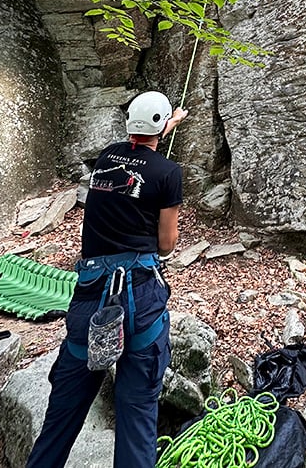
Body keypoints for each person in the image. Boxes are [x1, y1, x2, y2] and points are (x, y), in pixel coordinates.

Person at [26, 91, 188, 468]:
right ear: (161, 126)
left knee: (62, 416)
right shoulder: (169, 174)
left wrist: (168, 123)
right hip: (140, 301)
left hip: (91, 297)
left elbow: (141, 146)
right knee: (137, 413)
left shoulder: (106, 158)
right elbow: (166, 245)